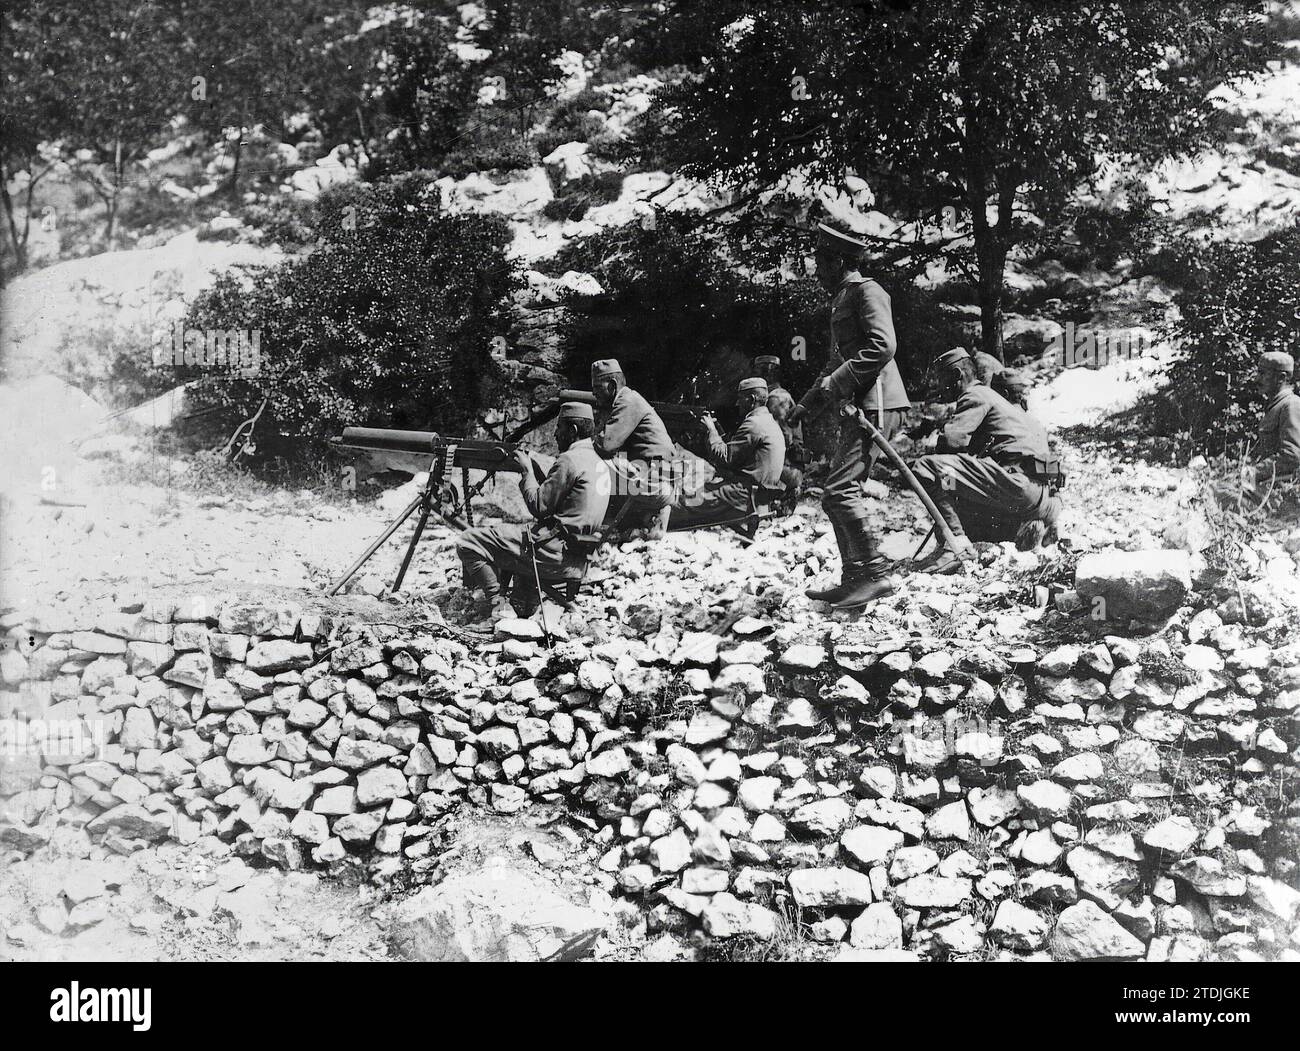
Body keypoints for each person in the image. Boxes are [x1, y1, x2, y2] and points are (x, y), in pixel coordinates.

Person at [788, 221, 911, 609]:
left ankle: (874, 574)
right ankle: (854, 579)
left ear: (838, 261)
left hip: (878, 403)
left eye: (821, 262)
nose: (816, 270)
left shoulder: (867, 291)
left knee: (840, 490)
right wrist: (806, 404)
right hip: (862, 405)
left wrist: (839, 381)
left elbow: (884, 345)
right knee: (833, 495)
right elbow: (834, 363)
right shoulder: (842, 299)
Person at [909, 347, 1063, 573]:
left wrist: (949, 479)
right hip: (1046, 500)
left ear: (957, 375)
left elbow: (952, 443)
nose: (939, 390)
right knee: (955, 482)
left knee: (927, 467)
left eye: (942, 381)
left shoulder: (975, 394)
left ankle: (955, 546)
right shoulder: (1013, 409)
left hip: (1018, 488)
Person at [457, 402, 610, 619]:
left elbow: (538, 507)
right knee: (508, 535)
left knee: (468, 541)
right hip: (578, 558)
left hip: (553, 556)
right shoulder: (598, 462)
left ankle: (498, 605)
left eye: (559, 428)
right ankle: (516, 601)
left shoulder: (570, 459)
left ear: (573, 430)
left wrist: (527, 470)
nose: (555, 434)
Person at [671, 377, 786, 529]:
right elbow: (739, 455)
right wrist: (719, 433)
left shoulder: (754, 423)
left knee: (677, 503)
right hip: (756, 494)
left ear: (752, 399)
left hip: (739, 495)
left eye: (741, 399)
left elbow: (725, 458)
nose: (737, 403)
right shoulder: (768, 422)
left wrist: (711, 430)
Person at [589, 358, 679, 535]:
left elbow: (605, 445)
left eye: (597, 387)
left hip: (653, 480)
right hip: (659, 476)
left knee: (588, 461)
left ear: (612, 385)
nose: (594, 393)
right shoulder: (629, 400)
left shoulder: (628, 401)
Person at [754, 354, 806, 493]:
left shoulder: (777, 398)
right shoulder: (770, 396)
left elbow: (784, 439)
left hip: (785, 469)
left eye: (762, 371)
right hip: (784, 467)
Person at [1252, 350, 1300, 481]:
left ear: (1281, 378)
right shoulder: (1276, 406)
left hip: (1285, 488)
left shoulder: (1291, 405)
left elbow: (1292, 457)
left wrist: (1253, 473)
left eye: (1263, 374)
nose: (1257, 379)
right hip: (1270, 483)